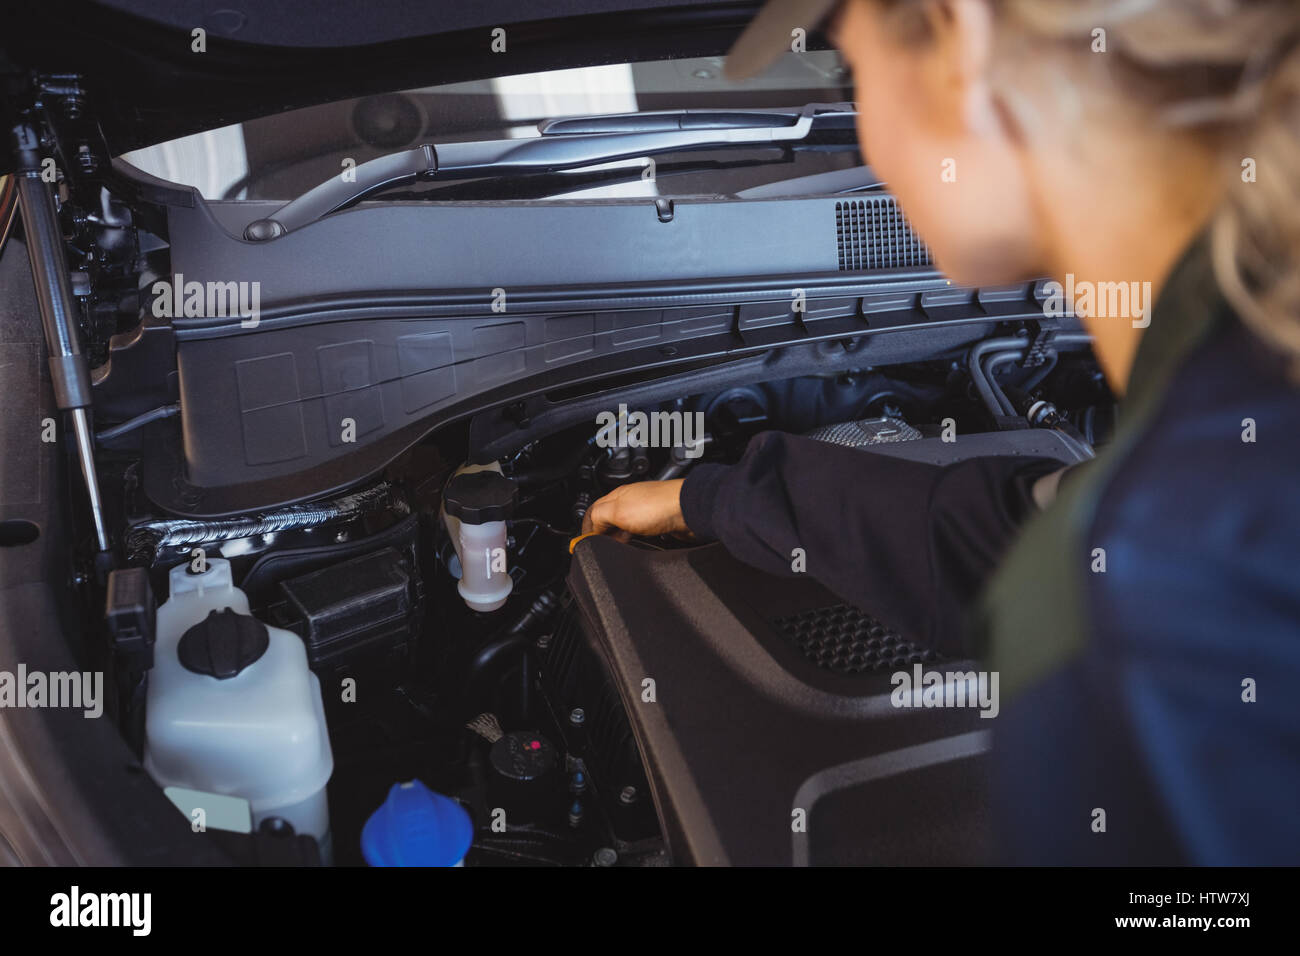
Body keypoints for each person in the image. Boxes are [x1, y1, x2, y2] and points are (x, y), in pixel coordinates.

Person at [581, 0, 1300, 864]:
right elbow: (1019, 527)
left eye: (853, 75)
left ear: (962, 38)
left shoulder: (1160, 597)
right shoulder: (1239, 418)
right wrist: (723, 498)